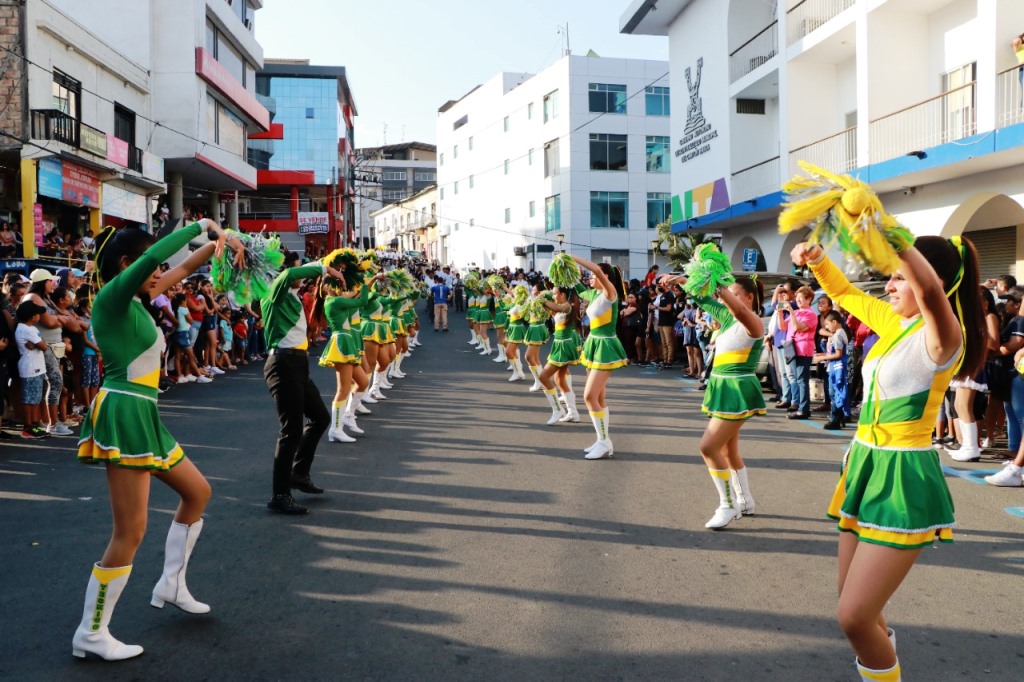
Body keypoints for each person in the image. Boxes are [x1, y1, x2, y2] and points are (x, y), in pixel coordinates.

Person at [791, 235, 984, 682]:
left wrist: (889, 233)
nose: (888, 287)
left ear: (928, 279)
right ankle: (883, 667)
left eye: (898, 277)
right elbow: (843, 293)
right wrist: (817, 258)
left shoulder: (944, 335)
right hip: (864, 464)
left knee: (854, 617)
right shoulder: (896, 323)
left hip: (903, 475)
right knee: (852, 603)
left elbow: (934, 295)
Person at [72, 219, 245, 661]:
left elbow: (187, 265)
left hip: (145, 413)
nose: (159, 271)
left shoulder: (138, 297)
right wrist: (197, 224)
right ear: (127, 264)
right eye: (151, 264)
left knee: (198, 492)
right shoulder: (111, 298)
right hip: (124, 412)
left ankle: (171, 582)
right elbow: (157, 259)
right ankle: (92, 632)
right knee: (130, 531)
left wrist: (222, 242)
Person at [662, 271, 766, 528]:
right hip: (721, 387)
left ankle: (728, 505)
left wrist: (718, 285)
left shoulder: (752, 322)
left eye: (735, 294)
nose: (727, 299)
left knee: (708, 448)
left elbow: (735, 308)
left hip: (737, 389)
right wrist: (682, 280)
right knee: (729, 451)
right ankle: (745, 501)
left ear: (749, 298)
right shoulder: (727, 318)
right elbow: (703, 300)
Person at [261, 251, 344, 515]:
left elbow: (295, 271)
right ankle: (280, 495)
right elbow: (289, 273)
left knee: (320, 418)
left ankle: (299, 473)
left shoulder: (290, 294)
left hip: (297, 364)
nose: (301, 276)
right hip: (282, 365)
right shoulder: (274, 288)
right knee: (291, 431)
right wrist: (328, 270)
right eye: (298, 269)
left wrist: (329, 267)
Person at [571, 255, 628, 460]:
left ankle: (604, 442)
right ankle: (602, 440)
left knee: (589, 397)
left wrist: (572, 258)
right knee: (599, 397)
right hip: (593, 344)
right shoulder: (594, 294)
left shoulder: (609, 292)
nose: (589, 278)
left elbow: (595, 269)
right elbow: (577, 289)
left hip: (605, 346)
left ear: (603, 276)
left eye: (593, 276)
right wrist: (565, 271)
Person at [778, 285, 817, 419]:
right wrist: (780, 311)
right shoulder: (798, 312)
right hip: (791, 347)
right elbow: (782, 326)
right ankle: (801, 407)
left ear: (809, 299)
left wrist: (791, 311)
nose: (798, 301)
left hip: (803, 349)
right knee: (795, 377)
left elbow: (797, 327)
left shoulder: (810, 314)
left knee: (801, 380)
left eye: (801, 298)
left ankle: (803, 409)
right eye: (797, 298)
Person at [15, 300, 49, 439]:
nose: (39, 316)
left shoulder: (31, 328)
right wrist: (38, 345)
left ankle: (34, 424)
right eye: (37, 314)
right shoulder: (25, 329)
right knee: (29, 399)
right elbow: (44, 346)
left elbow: (41, 344)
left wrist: (36, 345)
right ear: (32, 316)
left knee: (35, 398)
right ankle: (28, 427)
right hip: (30, 368)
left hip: (37, 367)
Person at [812, 310, 850, 430]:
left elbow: (838, 354)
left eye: (828, 324)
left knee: (835, 394)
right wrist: (822, 355)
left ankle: (835, 419)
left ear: (835, 322)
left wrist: (822, 358)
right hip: (835, 367)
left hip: (837, 368)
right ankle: (840, 417)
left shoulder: (838, 335)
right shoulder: (838, 333)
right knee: (837, 393)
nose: (827, 327)